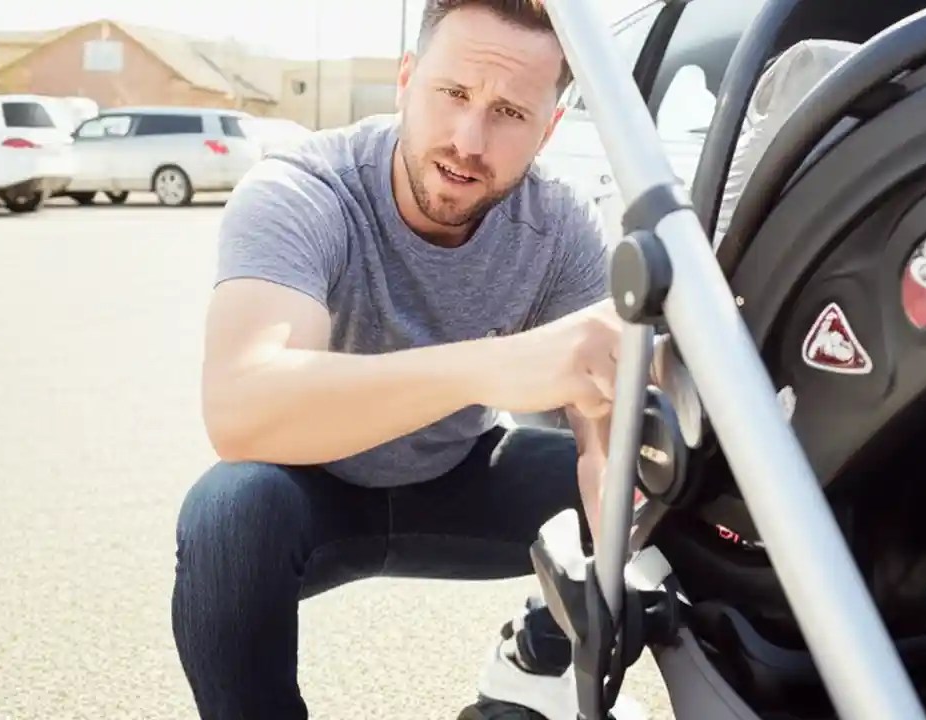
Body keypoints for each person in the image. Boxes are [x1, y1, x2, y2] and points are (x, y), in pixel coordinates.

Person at [170, 1, 642, 718]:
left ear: (548, 128)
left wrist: (618, 529)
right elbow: (240, 406)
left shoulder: (557, 227)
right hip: (311, 487)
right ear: (406, 80)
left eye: (510, 113)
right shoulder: (305, 188)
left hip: (460, 475)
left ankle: (539, 658)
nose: (468, 140)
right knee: (228, 512)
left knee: (669, 485)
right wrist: (491, 366)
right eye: (452, 93)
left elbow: (602, 440)